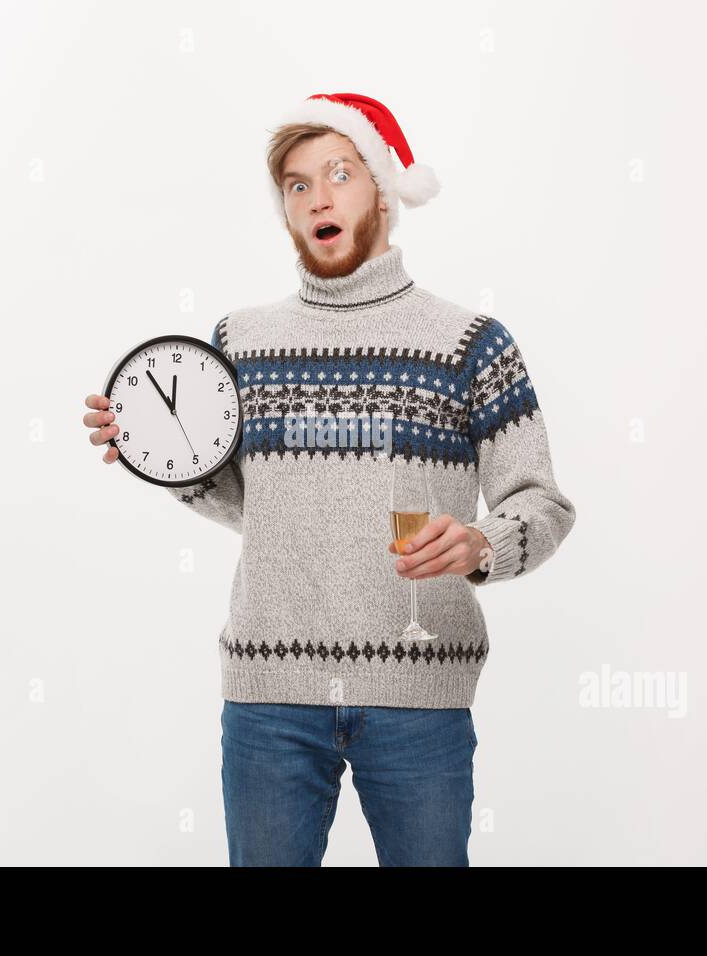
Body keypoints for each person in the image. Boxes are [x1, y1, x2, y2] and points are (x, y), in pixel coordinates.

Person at [82, 92, 576, 866]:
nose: (317, 196)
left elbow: (541, 502)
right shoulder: (239, 342)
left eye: (339, 174)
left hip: (420, 695)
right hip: (269, 695)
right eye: (297, 183)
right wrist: (165, 457)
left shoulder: (471, 343)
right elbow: (258, 508)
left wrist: (482, 541)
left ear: (381, 189)